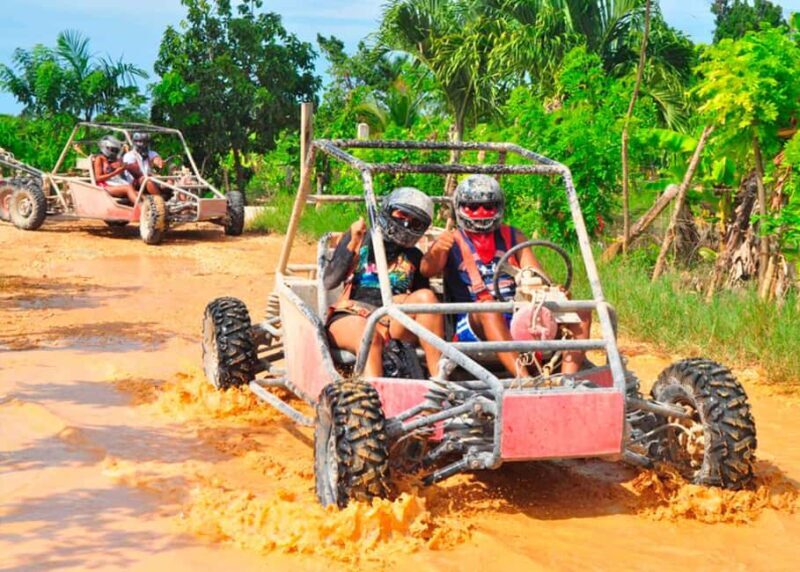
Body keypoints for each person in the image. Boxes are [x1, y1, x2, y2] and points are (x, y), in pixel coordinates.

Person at [421, 174, 591, 377]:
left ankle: (568, 379)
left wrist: (553, 290)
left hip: (518, 314)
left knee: (581, 310)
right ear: (460, 208)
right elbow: (426, 270)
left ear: (498, 207)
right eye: (473, 208)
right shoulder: (451, 240)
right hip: (473, 323)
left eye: (488, 206)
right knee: (488, 309)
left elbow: (535, 276)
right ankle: (524, 381)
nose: (481, 213)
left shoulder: (513, 236)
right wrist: (438, 250)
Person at [323, 187, 445, 378]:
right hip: (351, 316)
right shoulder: (361, 239)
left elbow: (422, 304)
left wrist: (403, 298)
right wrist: (352, 242)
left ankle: (440, 383)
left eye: (415, 222)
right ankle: (377, 397)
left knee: (426, 297)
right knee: (369, 336)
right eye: (401, 214)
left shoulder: (414, 256)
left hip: (392, 320)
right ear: (389, 210)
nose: (405, 222)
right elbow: (329, 281)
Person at [93, 135, 138, 204]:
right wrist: (116, 172)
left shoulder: (113, 159)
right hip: (104, 186)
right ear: (105, 147)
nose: (114, 152)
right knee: (128, 188)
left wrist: (123, 167)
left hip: (116, 183)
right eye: (112, 149)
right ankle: (141, 208)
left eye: (116, 150)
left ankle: (152, 207)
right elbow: (98, 178)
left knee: (138, 192)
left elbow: (121, 170)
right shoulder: (99, 159)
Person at [123, 132, 163, 196]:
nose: (143, 144)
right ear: (135, 142)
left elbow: (157, 160)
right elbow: (136, 173)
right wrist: (152, 176)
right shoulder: (129, 156)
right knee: (147, 180)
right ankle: (161, 200)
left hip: (150, 178)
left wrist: (157, 162)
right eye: (141, 141)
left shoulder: (151, 153)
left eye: (145, 142)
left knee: (171, 180)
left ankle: (176, 198)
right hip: (136, 182)